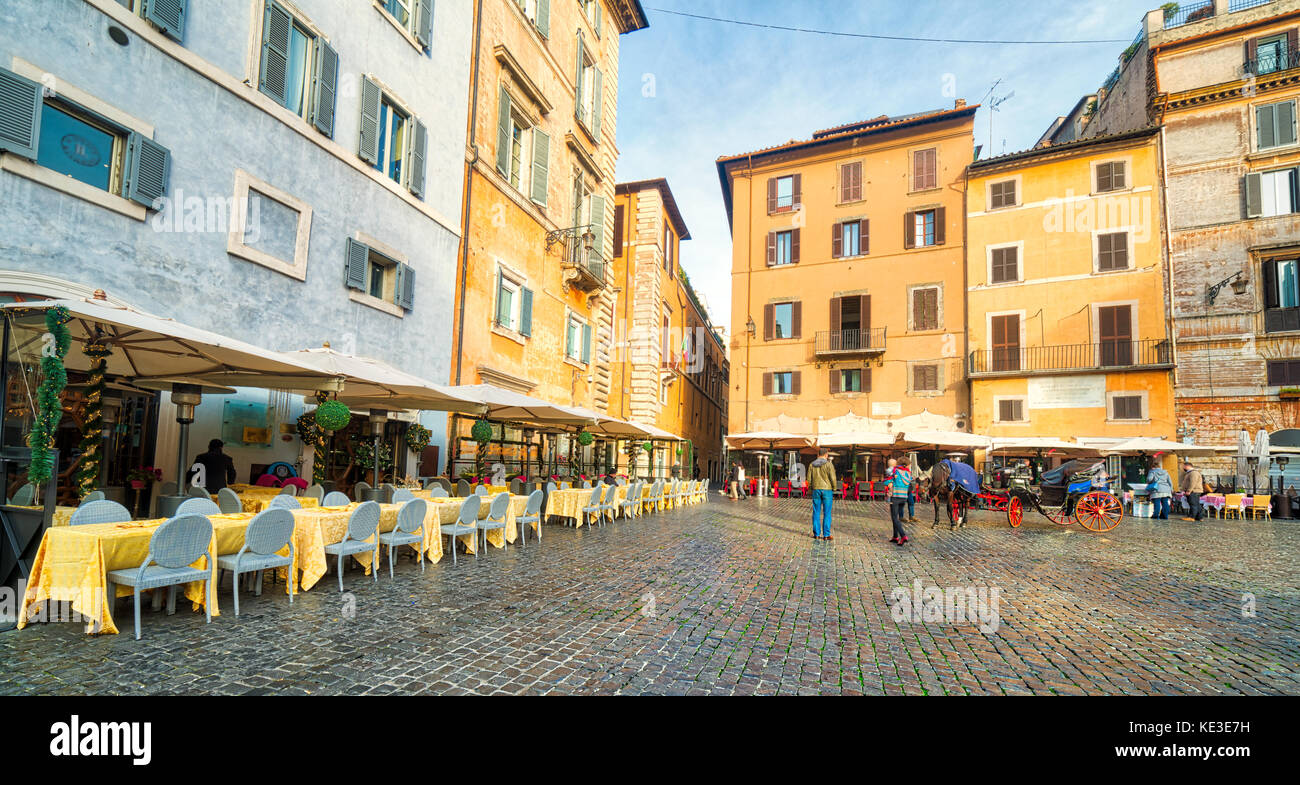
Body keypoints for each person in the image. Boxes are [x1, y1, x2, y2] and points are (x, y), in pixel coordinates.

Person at [809, 448, 836, 541]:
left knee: (816, 511)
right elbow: (832, 477)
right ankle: (826, 535)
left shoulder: (811, 464)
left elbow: (809, 479)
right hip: (827, 490)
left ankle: (816, 534)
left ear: (818, 455)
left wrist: (810, 489)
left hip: (816, 489)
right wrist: (834, 487)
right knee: (827, 512)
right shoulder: (829, 464)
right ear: (826, 455)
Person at [886, 458, 912, 545]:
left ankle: (903, 535)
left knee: (894, 517)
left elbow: (887, 481)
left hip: (896, 496)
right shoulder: (908, 473)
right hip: (904, 497)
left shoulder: (895, 471)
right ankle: (895, 536)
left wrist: (889, 482)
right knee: (897, 517)